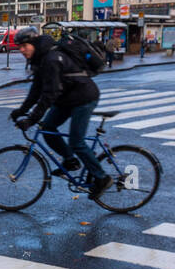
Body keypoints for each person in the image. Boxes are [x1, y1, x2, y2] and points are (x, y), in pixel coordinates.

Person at [9, 26, 113, 201]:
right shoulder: (40, 59)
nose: (21, 50)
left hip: (83, 98)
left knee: (76, 141)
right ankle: (70, 160)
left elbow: (50, 94)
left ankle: (102, 178)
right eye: (19, 47)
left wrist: (31, 119)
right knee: (48, 127)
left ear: (33, 43)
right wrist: (21, 111)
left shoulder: (51, 59)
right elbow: (36, 91)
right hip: (67, 99)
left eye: (24, 46)